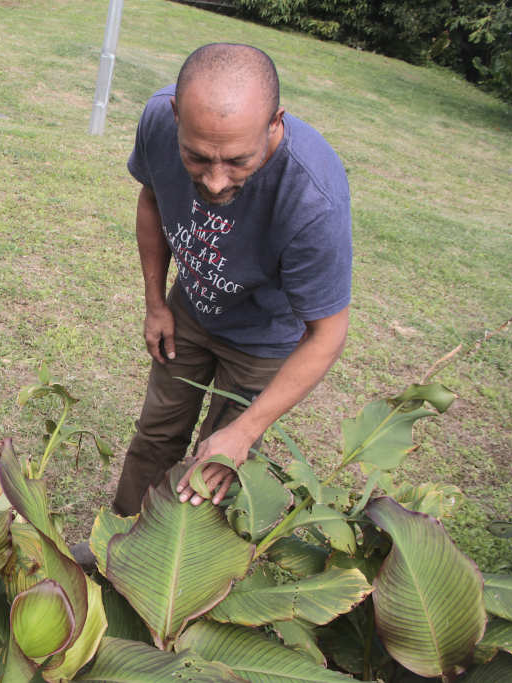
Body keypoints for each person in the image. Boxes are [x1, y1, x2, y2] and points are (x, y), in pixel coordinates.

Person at [112, 43, 352, 515]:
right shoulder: (159, 122)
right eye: (198, 157)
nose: (216, 181)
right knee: (156, 434)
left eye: (238, 161)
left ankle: (177, 577)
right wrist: (156, 303)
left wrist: (244, 431)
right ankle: (114, 546)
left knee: (215, 468)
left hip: (263, 342)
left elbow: (328, 333)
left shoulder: (313, 199)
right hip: (189, 311)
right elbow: (153, 200)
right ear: (177, 115)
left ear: (275, 123)